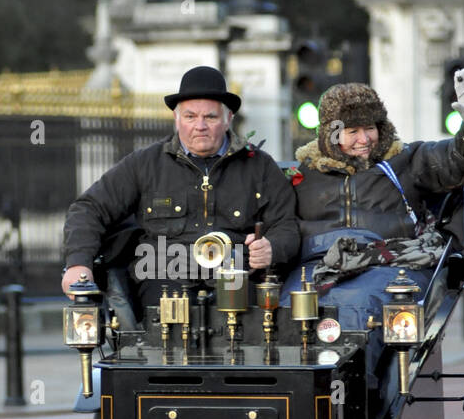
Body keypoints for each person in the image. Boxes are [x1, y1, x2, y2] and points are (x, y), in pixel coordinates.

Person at [286, 69, 464, 419]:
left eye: (371, 128)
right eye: (352, 131)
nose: (364, 139)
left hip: (391, 265)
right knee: (285, 311)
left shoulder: (407, 160)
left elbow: (458, 163)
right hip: (319, 267)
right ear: (330, 133)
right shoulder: (299, 177)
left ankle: (358, 407)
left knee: (361, 309)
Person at [61, 66, 300, 312]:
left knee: (248, 333)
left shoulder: (259, 166)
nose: (200, 125)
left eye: (210, 117)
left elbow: (287, 225)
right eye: (190, 116)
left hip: (238, 281)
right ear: (176, 119)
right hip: (163, 281)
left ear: (228, 119)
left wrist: (272, 247)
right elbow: (89, 208)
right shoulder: (144, 164)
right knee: (163, 334)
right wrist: (79, 264)